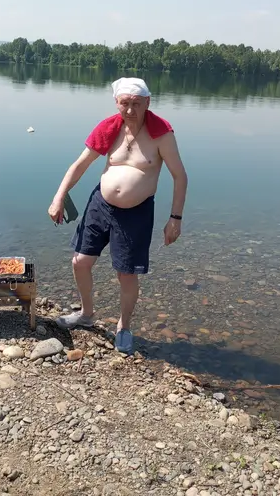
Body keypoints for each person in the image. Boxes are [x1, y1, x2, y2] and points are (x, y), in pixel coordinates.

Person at [48, 77, 188, 354]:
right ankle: (86, 314)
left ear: (148, 102)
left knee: (126, 274)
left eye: (137, 104)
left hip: (136, 213)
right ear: (117, 103)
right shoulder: (109, 128)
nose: (130, 110)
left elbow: (180, 176)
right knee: (80, 261)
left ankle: (124, 327)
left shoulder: (161, 133)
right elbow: (80, 165)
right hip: (101, 204)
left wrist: (175, 218)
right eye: (125, 104)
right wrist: (59, 197)